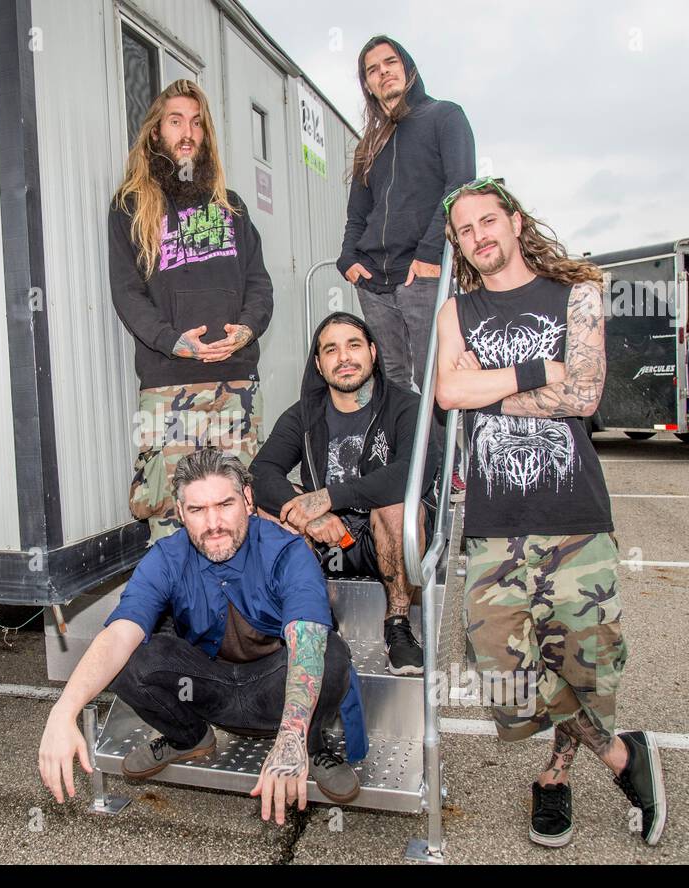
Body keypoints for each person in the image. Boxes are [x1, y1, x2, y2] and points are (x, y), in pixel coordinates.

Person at [434, 177, 667, 848]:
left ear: (513, 219)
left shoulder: (579, 293)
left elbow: (587, 394)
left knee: (585, 663)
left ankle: (556, 777)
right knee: (501, 674)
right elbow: (449, 390)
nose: (479, 236)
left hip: (574, 516)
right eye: (465, 231)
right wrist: (541, 370)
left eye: (487, 220)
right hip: (493, 522)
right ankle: (624, 755)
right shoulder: (458, 311)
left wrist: (487, 388)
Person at [37, 449, 367, 825]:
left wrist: (290, 737)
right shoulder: (166, 557)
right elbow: (117, 635)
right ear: (180, 513)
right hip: (207, 689)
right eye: (197, 510)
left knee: (328, 653)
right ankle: (189, 738)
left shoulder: (286, 551)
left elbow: (307, 637)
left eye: (225, 504)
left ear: (247, 499)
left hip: (276, 693)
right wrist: (63, 712)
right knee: (128, 655)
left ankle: (309, 746)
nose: (213, 524)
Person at [110, 79, 274, 543]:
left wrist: (246, 330)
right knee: (169, 516)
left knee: (236, 513)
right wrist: (172, 340)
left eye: (197, 122)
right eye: (176, 120)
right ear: (155, 132)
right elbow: (127, 294)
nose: (187, 132)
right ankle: (184, 615)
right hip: (167, 384)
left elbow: (260, 284)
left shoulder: (232, 206)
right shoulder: (130, 207)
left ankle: (239, 615)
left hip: (235, 381)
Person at [251, 312, 441, 675]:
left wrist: (330, 496)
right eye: (331, 350)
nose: (344, 357)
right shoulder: (304, 415)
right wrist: (316, 513)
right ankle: (315, 621)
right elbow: (261, 472)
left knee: (397, 504)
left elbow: (413, 471)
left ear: (372, 352)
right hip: (327, 538)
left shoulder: (405, 406)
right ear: (320, 366)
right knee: (271, 512)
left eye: (354, 345)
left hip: (385, 539)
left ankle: (398, 627)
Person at [338, 36, 474, 492]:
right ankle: (407, 470)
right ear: (368, 85)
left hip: (423, 272)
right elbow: (357, 215)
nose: (383, 72)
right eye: (372, 70)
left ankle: (444, 468)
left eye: (390, 62)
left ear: (408, 67)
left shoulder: (444, 116)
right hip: (374, 279)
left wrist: (432, 254)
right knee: (393, 378)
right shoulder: (369, 144)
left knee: (435, 374)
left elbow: (459, 187)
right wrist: (348, 260)